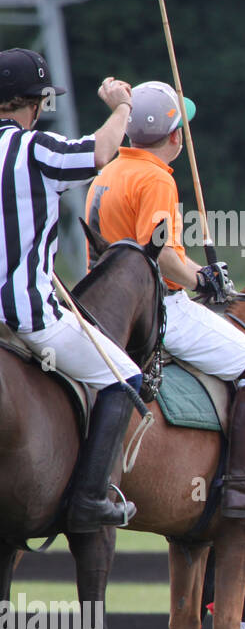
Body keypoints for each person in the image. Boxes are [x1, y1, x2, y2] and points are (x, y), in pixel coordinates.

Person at [85, 80, 245, 518]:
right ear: (175, 136)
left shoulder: (107, 172)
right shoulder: (156, 178)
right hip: (157, 307)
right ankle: (241, 486)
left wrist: (196, 268)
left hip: (99, 306)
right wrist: (201, 277)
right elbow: (156, 253)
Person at [0, 48, 145, 531]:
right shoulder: (35, 149)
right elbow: (100, 152)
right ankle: (89, 499)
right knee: (124, 377)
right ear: (36, 103)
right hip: (27, 318)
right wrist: (122, 106)